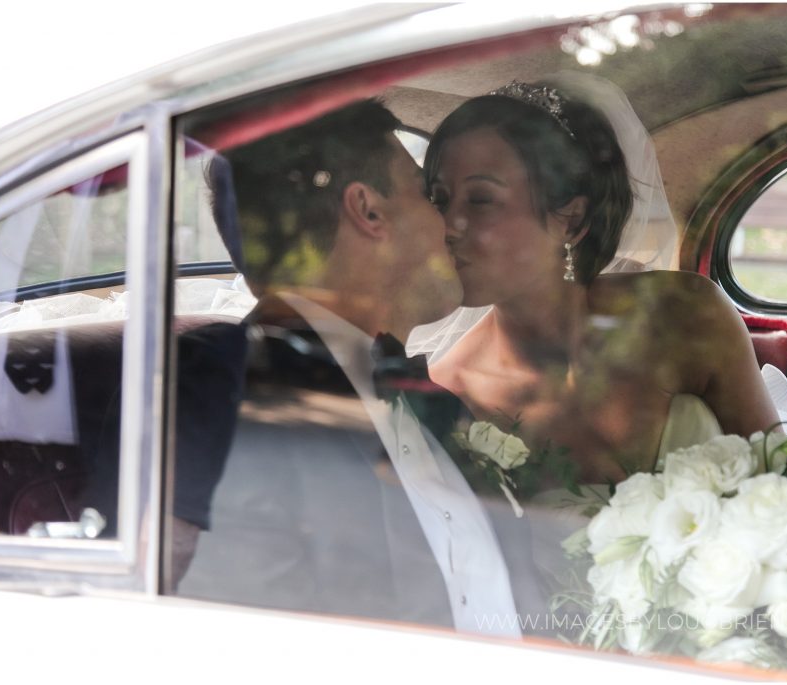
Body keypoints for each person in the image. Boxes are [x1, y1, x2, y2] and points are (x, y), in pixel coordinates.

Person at [177, 99, 550, 637]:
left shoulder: (428, 398)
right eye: (429, 197)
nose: (452, 224)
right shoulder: (222, 387)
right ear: (368, 211)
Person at [413, 73, 780, 487]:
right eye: (439, 199)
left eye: (481, 200)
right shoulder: (449, 394)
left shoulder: (685, 316)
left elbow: (782, 483)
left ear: (571, 220)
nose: (447, 226)